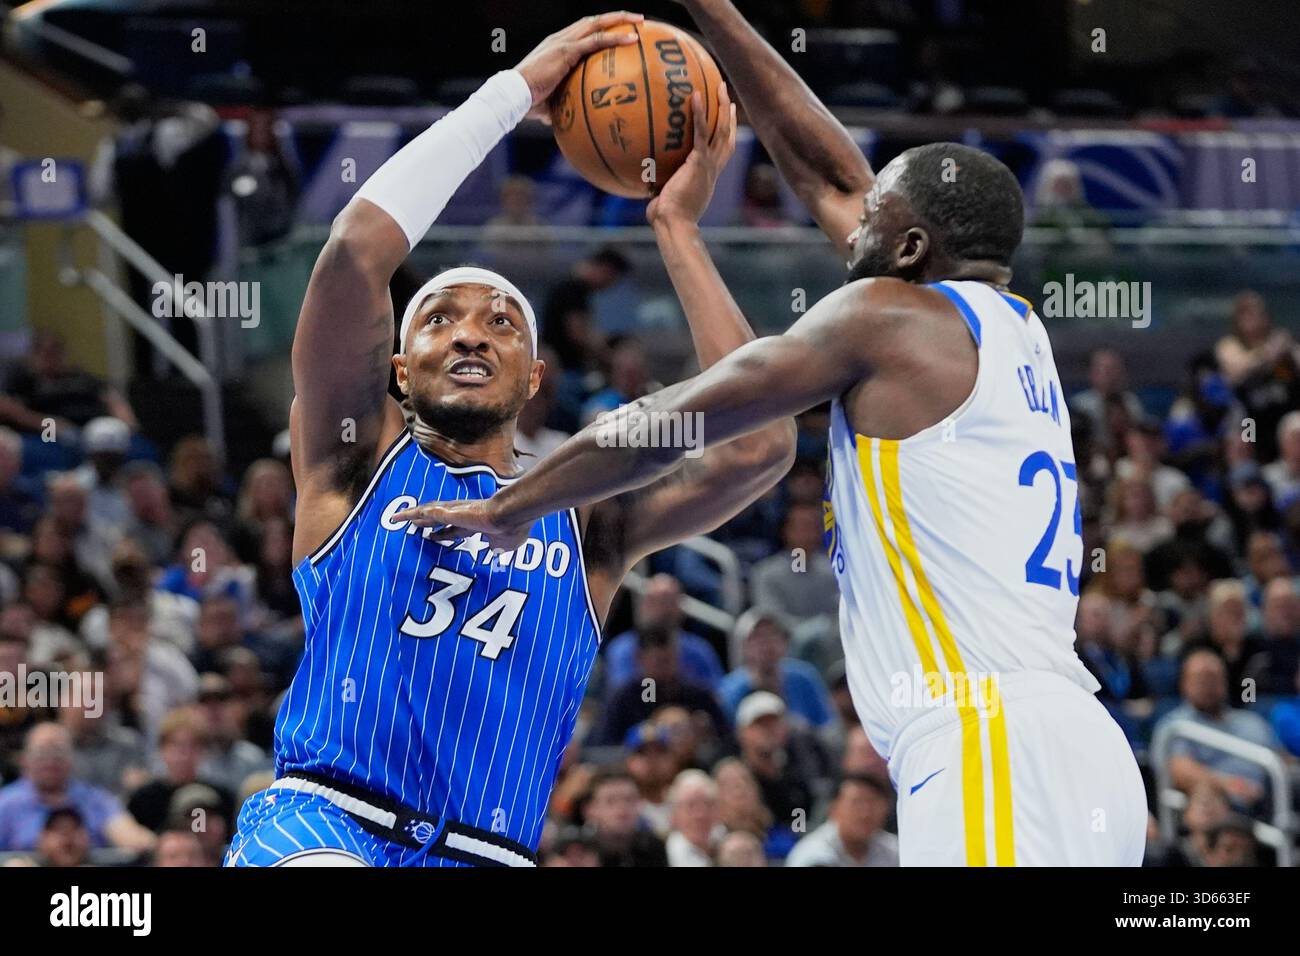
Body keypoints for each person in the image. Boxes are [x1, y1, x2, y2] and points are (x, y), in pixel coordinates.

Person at [407, 0, 1147, 865]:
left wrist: (516, 504)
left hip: (988, 741)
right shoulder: (1008, 326)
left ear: (908, 250)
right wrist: (713, 13)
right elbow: (831, 180)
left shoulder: (887, 318)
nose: (849, 219)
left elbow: (674, 420)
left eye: (875, 220)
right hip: (1076, 750)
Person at [225, 14, 794, 868]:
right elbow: (353, 252)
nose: (469, 334)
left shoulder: (590, 516)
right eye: (439, 319)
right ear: (398, 370)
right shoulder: (349, 462)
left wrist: (675, 230)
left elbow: (761, 444)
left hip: (489, 853)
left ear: (533, 379)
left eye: (500, 322)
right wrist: (512, 95)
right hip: (325, 821)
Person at [0, 722, 155, 854]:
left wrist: (137, 841)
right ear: (24, 759)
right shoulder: (6, 803)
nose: (50, 761)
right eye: (42, 753)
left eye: (58, 753)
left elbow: (129, 834)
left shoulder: (95, 800)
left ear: (71, 759)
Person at [785, 773, 899, 867]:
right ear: (833, 809)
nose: (865, 813)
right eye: (856, 803)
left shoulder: (895, 850)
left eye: (872, 803)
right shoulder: (814, 853)